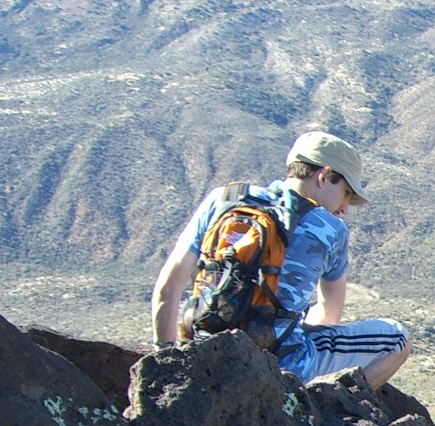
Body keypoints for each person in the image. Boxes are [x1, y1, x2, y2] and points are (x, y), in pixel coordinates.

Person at [150, 130, 410, 390]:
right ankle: (322, 411)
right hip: (281, 365)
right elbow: (329, 315)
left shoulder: (223, 199)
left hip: (202, 350)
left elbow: (167, 290)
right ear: (323, 176)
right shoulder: (330, 229)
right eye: (346, 193)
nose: (345, 208)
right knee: (397, 338)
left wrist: (167, 360)